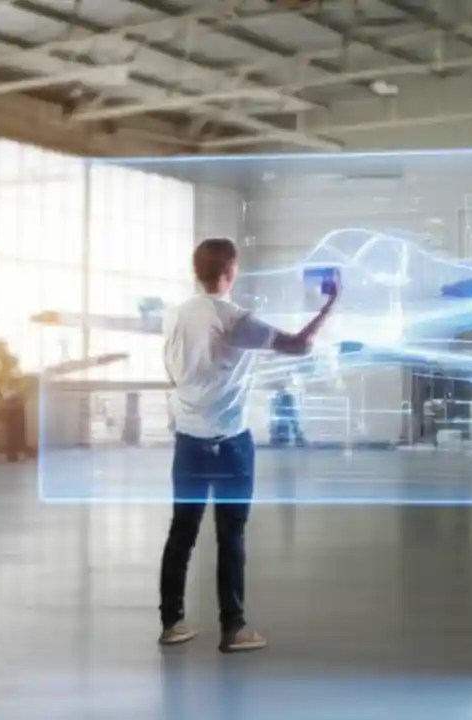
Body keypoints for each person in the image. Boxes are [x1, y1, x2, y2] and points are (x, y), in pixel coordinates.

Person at [159, 237, 339, 653]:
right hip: (229, 444)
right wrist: (329, 306)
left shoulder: (175, 316)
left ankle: (172, 623)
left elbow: (172, 368)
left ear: (196, 270)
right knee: (230, 536)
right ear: (230, 271)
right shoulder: (234, 319)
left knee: (181, 534)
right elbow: (299, 345)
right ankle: (233, 627)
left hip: (186, 440)